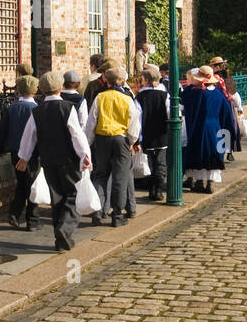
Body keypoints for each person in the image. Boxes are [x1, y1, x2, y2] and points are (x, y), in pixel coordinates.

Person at [16, 71, 92, 251]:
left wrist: (24, 157)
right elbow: (76, 134)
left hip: (48, 160)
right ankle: (64, 230)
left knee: (56, 197)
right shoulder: (67, 108)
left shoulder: (37, 110)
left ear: (42, 89)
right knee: (72, 195)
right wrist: (85, 155)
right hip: (68, 159)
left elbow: (29, 136)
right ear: (60, 87)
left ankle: (60, 241)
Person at [83, 65, 140, 226]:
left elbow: (91, 123)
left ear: (106, 81)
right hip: (121, 139)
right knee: (120, 178)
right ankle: (117, 215)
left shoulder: (100, 98)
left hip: (102, 138)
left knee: (101, 175)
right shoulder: (127, 99)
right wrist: (132, 141)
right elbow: (134, 124)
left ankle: (98, 211)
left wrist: (88, 143)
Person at [181, 65, 238, 195]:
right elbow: (226, 115)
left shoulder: (194, 93)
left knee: (198, 152)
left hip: (198, 127)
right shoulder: (219, 94)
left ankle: (199, 182)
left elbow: (183, 101)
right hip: (215, 127)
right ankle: (210, 182)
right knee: (213, 153)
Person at [0, 75, 39, 229]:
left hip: (15, 151)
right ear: (35, 90)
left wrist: (0, 148)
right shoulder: (36, 109)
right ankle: (32, 220)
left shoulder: (12, 108)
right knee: (32, 185)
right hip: (32, 153)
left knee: (22, 183)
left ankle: (14, 213)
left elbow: (2, 130)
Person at [135, 65, 169, 201]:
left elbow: (136, 118)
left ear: (146, 80)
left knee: (149, 164)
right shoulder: (165, 95)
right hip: (161, 134)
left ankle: (151, 190)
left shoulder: (140, 97)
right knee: (161, 163)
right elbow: (171, 113)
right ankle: (159, 189)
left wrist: (137, 138)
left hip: (147, 134)